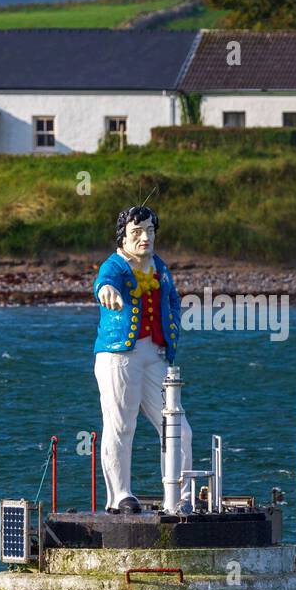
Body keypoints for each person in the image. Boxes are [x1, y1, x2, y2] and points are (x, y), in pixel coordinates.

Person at [92, 205, 192, 512]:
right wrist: (107, 291)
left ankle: (180, 495)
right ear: (122, 237)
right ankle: (119, 495)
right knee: (121, 425)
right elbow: (103, 283)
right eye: (137, 232)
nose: (145, 237)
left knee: (178, 428)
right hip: (119, 354)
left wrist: (173, 323)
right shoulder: (116, 266)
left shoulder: (160, 268)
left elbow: (172, 299)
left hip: (155, 354)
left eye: (149, 231)